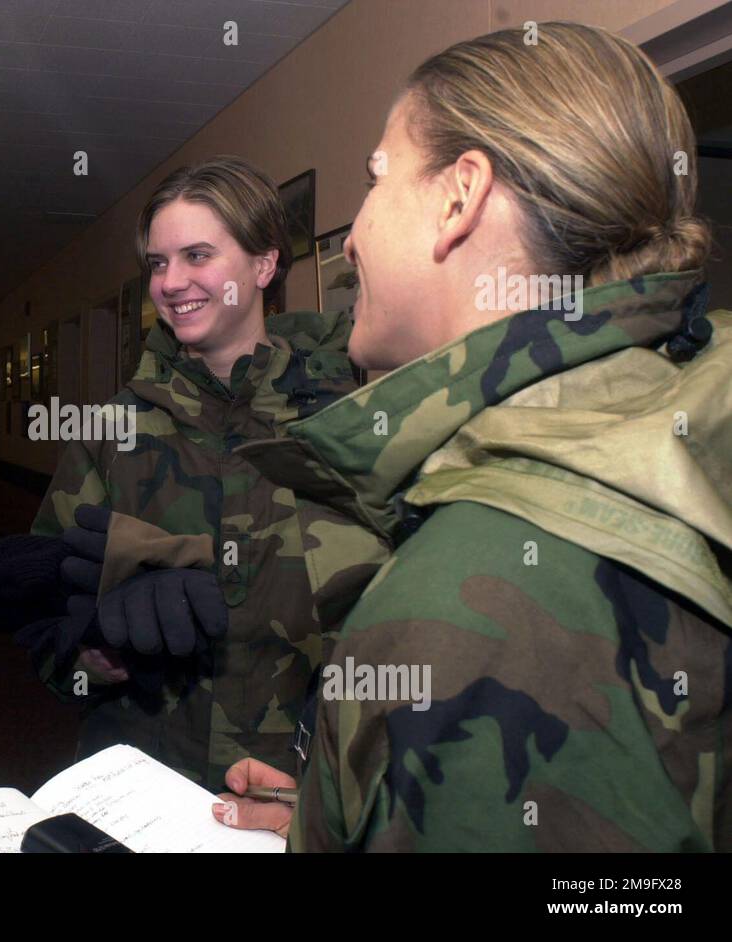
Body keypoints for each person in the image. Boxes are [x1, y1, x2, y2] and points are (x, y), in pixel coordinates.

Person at [215, 22, 731, 851]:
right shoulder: (657, 439)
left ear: (459, 197)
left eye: (376, 179)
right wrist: (347, 811)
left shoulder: (480, 602)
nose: (350, 237)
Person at [0, 157, 358, 789]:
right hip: (141, 784)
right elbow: (48, 624)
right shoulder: (111, 433)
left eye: (198, 255)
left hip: (305, 792)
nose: (172, 282)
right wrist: (93, 652)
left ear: (264, 265)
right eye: (157, 262)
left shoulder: (350, 422)